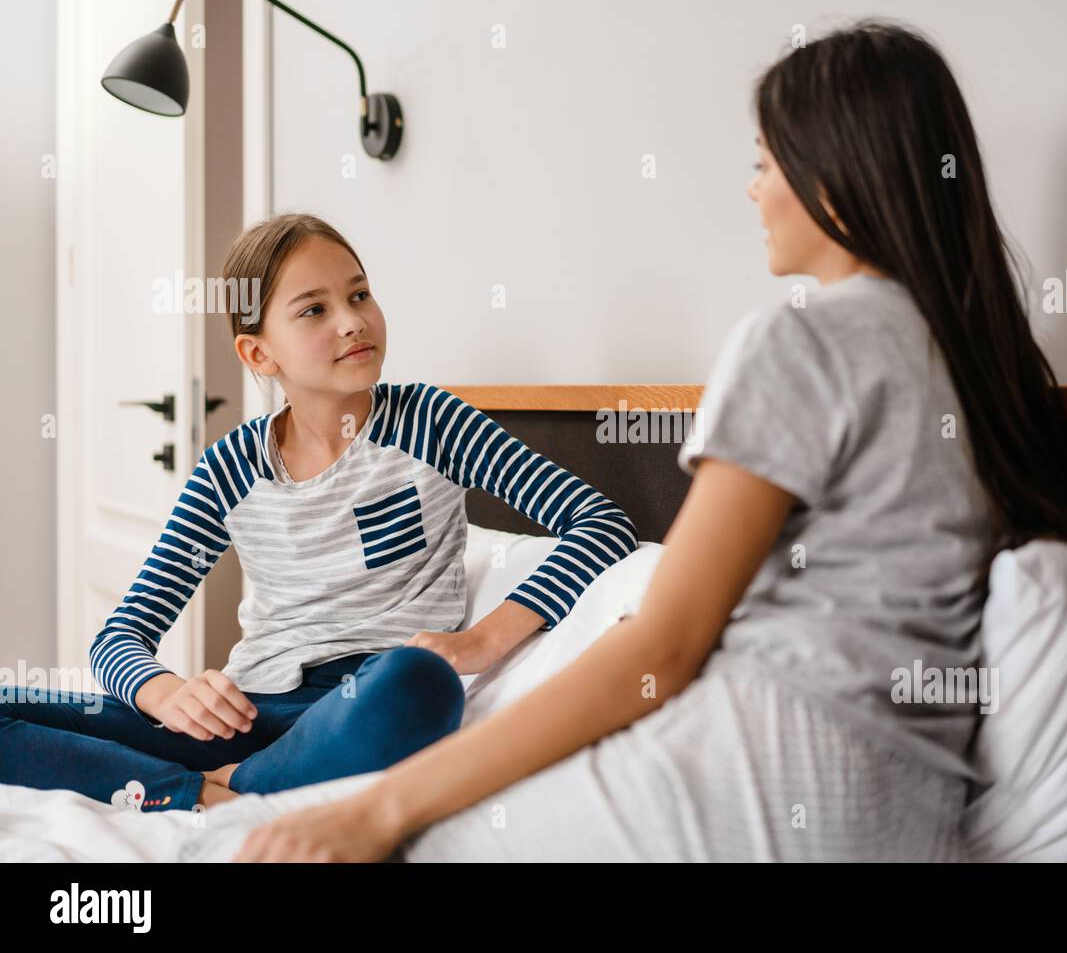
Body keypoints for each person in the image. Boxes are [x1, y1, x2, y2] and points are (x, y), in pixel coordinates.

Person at [229, 19, 1067, 862]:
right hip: (905, 812)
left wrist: (380, 809)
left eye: (764, 163)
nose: (753, 191)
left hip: (762, 762)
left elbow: (664, 648)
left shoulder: (807, 341)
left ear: (836, 175)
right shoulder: (980, 367)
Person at [0, 214, 638, 813]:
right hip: (246, 717)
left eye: (359, 295)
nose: (352, 321)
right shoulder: (231, 469)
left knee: (420, 681)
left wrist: (480, 641)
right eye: (315, 309)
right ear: (259, 354)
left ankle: (240, 790)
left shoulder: (431, 421)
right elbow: (118, 638)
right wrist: (168, 692)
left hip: (362, 704)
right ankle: (211, 794)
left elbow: (601, 524)